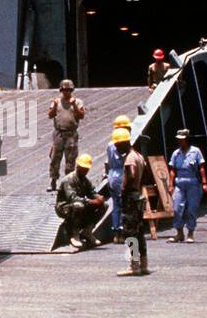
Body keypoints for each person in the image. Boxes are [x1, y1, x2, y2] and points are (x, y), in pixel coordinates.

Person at [113, 128, 151, 276]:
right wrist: (139, 186)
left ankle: (133, 265)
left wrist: (124, 189)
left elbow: (131, 174)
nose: (116, 148)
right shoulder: (139, 156)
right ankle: (144, 264)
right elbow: (147, 174)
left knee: (130, 233)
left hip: (130, 197)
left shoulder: (129, 158)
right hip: (138, 195)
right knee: (139, 231)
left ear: (124, 143)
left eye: (118, 145)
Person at [55, 153, 106, 249]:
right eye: (83, 168)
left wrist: (98, 197)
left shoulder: (84, 180)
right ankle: (74, 234)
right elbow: (72, 198)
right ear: (77, 166)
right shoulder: (69, 180)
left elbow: (91, 191)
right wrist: (91, 202)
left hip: (79, 203)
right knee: (79, 206)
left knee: (104, 205)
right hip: (64, 206)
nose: (85, 171)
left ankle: (88, 231)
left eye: (87, 169)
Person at [167, 128, 207, 243]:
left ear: (187, 139)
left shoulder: (196, 151)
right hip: (180, 182)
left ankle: (190, 232)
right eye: (179, 140)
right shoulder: (176, 153)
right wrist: (171, 184)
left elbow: (201, 168)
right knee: (177, 208)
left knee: (191, 208)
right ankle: (179, 233)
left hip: (193, 182)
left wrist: (204, 183)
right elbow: (172, 170)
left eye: (182, 140)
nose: (180, 142)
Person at [47, 79, 86, 191]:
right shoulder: (57, 102)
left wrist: (74, 105)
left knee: (70, 160)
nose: (66, 92)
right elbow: (50, 115)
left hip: (71, 134)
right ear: (61, 90)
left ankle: (67, 183)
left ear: (72, 90)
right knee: (55, 158)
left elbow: (82, 115)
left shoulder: (77, 102)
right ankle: (53, 181)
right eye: (64, 90)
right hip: (59, 133)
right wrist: (54, 106)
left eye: (68, 90)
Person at [104, 115, 131, 244]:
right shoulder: (122, 144)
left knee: (116, 205)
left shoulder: (110, 144)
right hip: (120, 174)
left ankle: (116, 232)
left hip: (111, 174)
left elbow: (107, 162)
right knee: (123, 204)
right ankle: (121, 231)